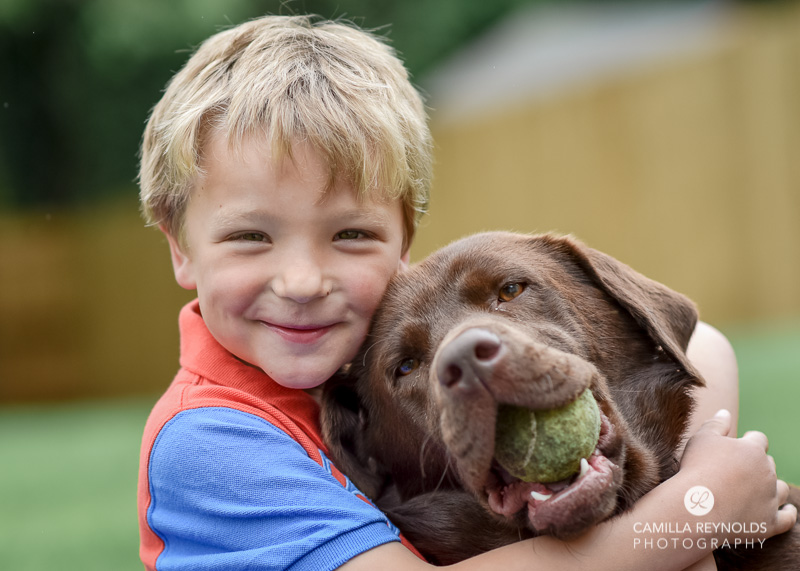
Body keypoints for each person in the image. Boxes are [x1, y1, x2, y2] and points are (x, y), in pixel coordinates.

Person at [136, 14, 796, 571]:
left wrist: (698, 472)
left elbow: (701, 341)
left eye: (350, 234)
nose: (303, 282)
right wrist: (697, 513)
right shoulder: (208, 442)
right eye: (251, 236)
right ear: (179, 248)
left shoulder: (350, 352)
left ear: (402, 241)